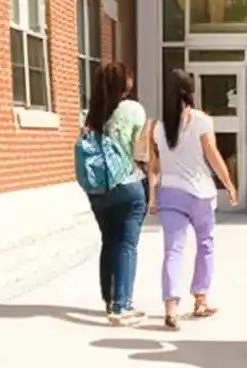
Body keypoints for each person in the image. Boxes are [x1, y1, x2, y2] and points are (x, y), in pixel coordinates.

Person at [147, 69, 238, 330]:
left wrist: (152, 198)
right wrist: (229, 184)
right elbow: (213, 156)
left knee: (173, 250)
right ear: (190, 93)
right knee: (205, 244)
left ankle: (171, 308)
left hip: (170, 193)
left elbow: (154, 167)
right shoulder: (201, 121)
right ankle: (200, 300)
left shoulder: (156, 126)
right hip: (200, 193)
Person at [82, 62, 149, 326]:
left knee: (109, 241)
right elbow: (139, 148)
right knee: (127, 244)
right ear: (125, 83)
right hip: (127, 183)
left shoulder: (93, 115)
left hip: (97, 189)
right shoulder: (132, 109)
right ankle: (122, 307)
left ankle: (110, 301)